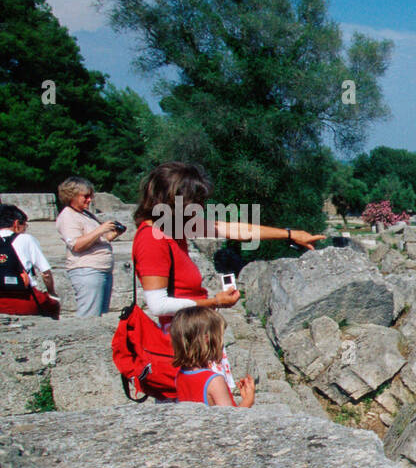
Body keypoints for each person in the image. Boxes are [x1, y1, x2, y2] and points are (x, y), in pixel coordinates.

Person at [131, 161, 321, 389]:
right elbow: (158, 305)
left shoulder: (171, 227)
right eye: (196, 203)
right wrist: (214, 302)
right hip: (182, 344)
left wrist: (290, 235)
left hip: (194, 334)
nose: (200, 209)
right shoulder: (152, 238)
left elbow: (232, 229)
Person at [55, 176, 121, 317]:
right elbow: (76, 245)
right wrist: (100, 229)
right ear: (71, 196)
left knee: (99, 314)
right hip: (87, 270)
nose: (89, 200)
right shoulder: (68, 216)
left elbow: (100, 239)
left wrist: (113, 233)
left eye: (90, 196)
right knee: (89, 316)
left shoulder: (86, 215)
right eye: (85, 196)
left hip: (102, 269)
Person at [169, 306, 255, 407]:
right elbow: (231, 420)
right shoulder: (214, 381)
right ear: (208, 339)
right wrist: (248, 400)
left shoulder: (180, 375)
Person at [0, 203, 60, 318]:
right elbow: (46, 273)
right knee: (53, 305)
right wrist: (51, 292)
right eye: (25, 226)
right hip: (24, 298)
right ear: (16, 223)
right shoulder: (26, 239)